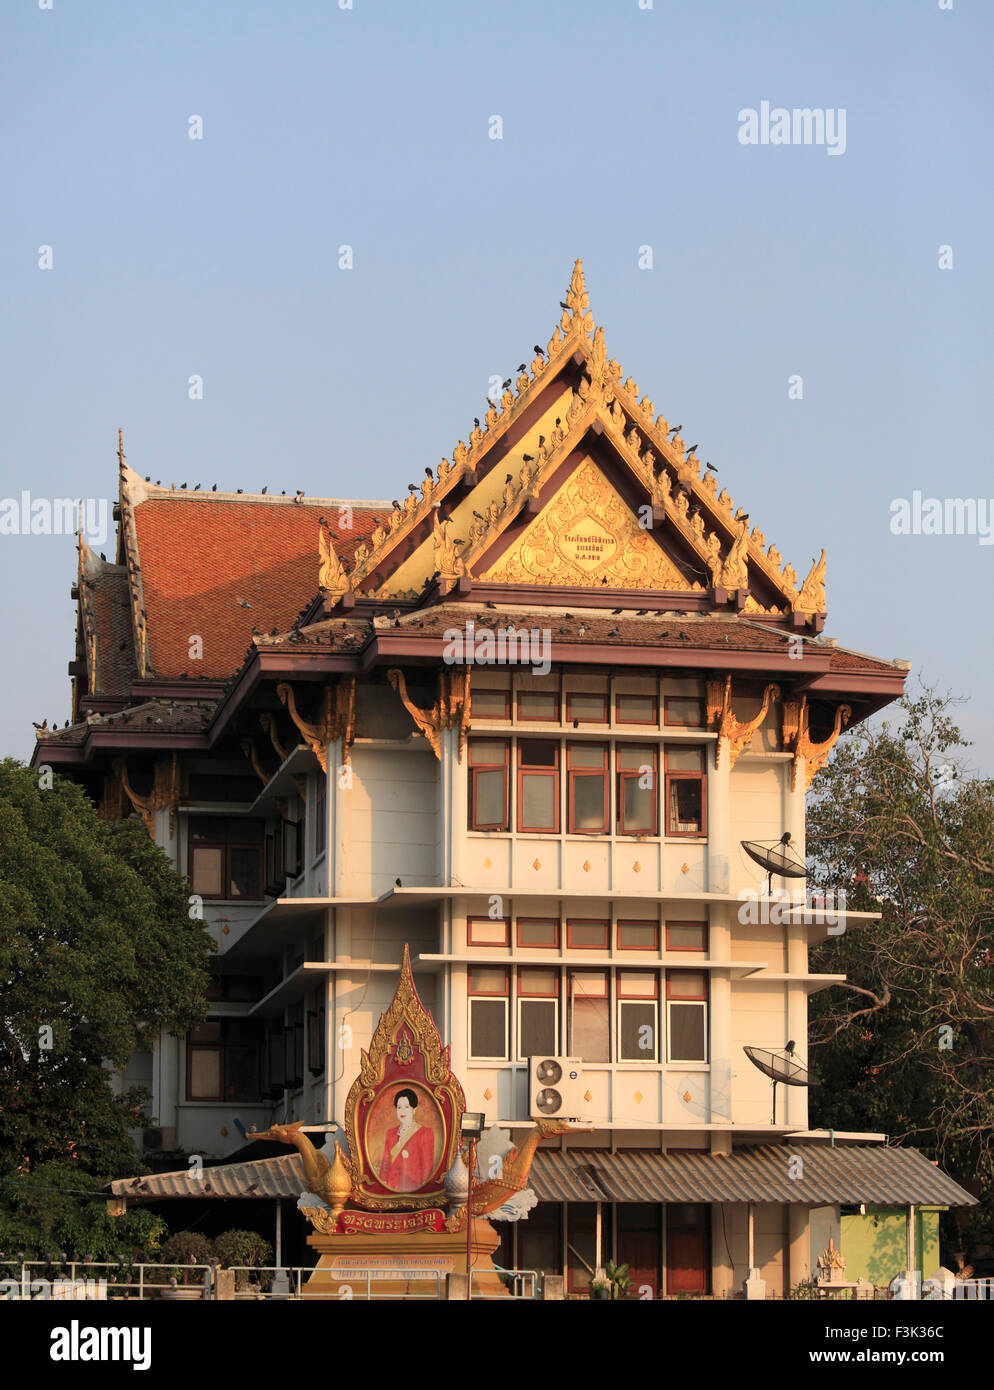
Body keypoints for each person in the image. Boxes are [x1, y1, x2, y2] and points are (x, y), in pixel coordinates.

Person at [378, 1088, 435, 1192]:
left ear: (414, 1110)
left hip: (414, 1187)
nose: (402, 1111)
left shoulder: (425, 1133)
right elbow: (385, 1165)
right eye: (399, 1107)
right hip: (391, 1188)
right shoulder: (390, 1133)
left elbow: (427, 1168)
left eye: (406, 1107)